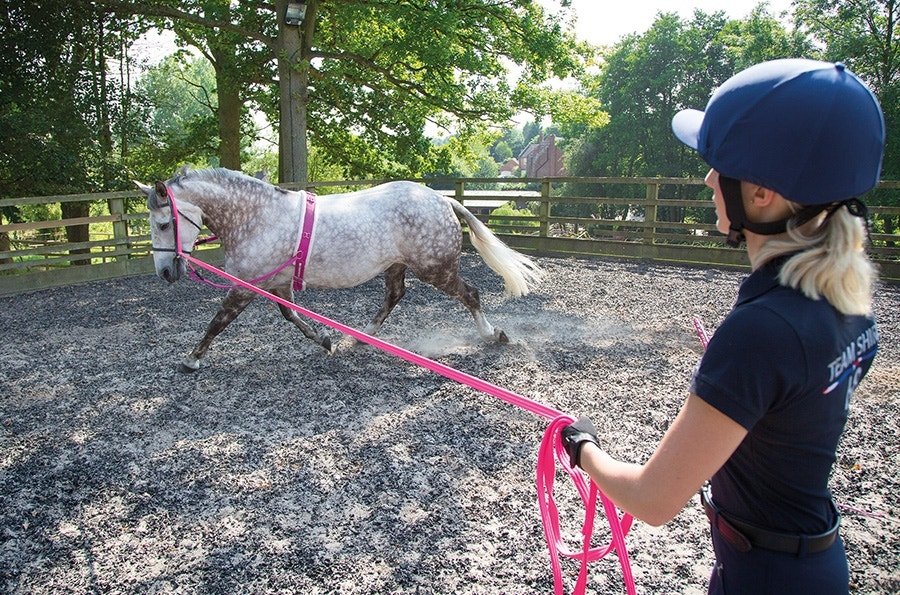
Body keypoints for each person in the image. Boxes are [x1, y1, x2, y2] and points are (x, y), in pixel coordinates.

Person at [562, 58, 885, 594]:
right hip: (809, 565)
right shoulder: (844, 298)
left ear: (761, 193)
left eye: (720, 165)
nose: (710, 177)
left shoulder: (763, 331)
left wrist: (584, 449)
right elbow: (793, 400)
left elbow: (653, 500)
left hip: (762, 576)